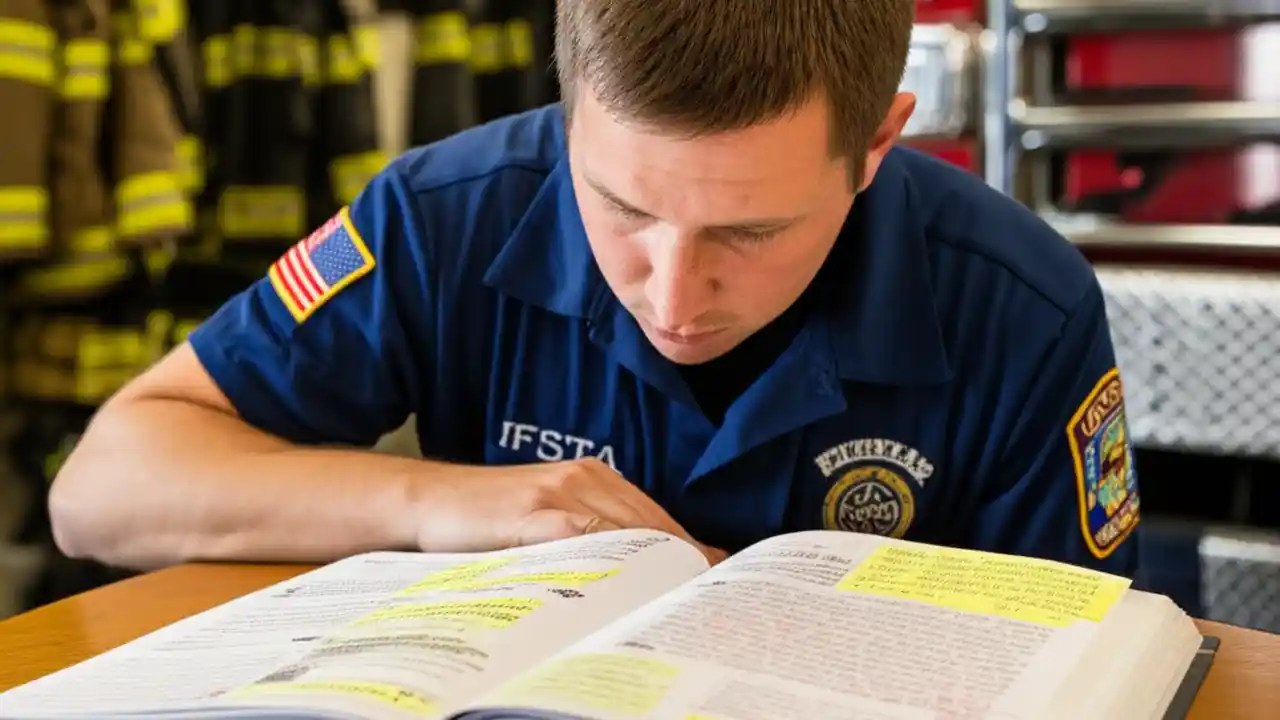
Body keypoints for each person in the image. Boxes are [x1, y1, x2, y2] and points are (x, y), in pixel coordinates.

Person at [48, 0, 1142, 576]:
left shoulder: (1021, 305)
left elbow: (1085, 656)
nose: (671, 297)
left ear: (876, 144)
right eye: (619, 210)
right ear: (566, 111)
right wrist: (445, 506)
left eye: (750, 230)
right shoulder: (444, 212)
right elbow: (97, 492)